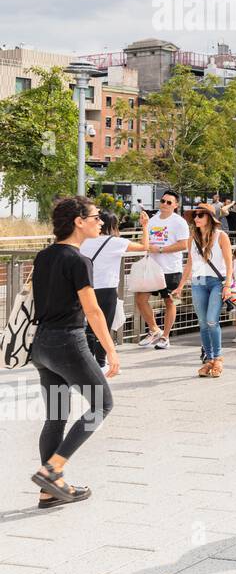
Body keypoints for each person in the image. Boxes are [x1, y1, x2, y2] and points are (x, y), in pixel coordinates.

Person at [29, 196, 119, 507]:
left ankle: (48, 491)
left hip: (41, 347)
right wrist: (111, 351)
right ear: (78, 221)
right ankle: (52, 470)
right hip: (67, 343)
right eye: (95, 217)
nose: (101, 222)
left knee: (56, 416)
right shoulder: (79, 260)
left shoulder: (44, 256)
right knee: (102, 405)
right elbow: (93, 311)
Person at [79, 213, 146, 370]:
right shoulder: (116, 242)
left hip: (86, 288)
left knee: (88, 327)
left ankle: (89, 362)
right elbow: (144, 247)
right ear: (113, 225)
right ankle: (101, 363)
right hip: (107, 289)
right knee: (103, 327)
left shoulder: (85, 241)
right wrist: (145, 226)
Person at [176, 203, 235, 377]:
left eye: (200, 215)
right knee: (202, 322)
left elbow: (229, 262)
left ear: (209, 217)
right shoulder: (192, 238)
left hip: (217, 281)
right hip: (198, 282)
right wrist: (180, 285)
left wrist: (227, 285)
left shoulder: (221, 236)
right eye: (195, 215)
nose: (196, 218)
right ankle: (209, 359)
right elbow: (189, 263)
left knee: (211, 320)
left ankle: (218, 358)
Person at [135, 190, 189, 350]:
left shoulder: (179, 222)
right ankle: (154, 330)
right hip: (152, 268)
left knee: (170, 301)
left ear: (176, 205)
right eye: (163, 201)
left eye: (169, 202)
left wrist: (159, 249)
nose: (164, 204)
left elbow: (183, 244)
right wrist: (144, 229)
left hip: (171, 268)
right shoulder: (152, 220)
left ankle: (165, 337)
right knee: (140, 299)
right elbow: (144, 240)